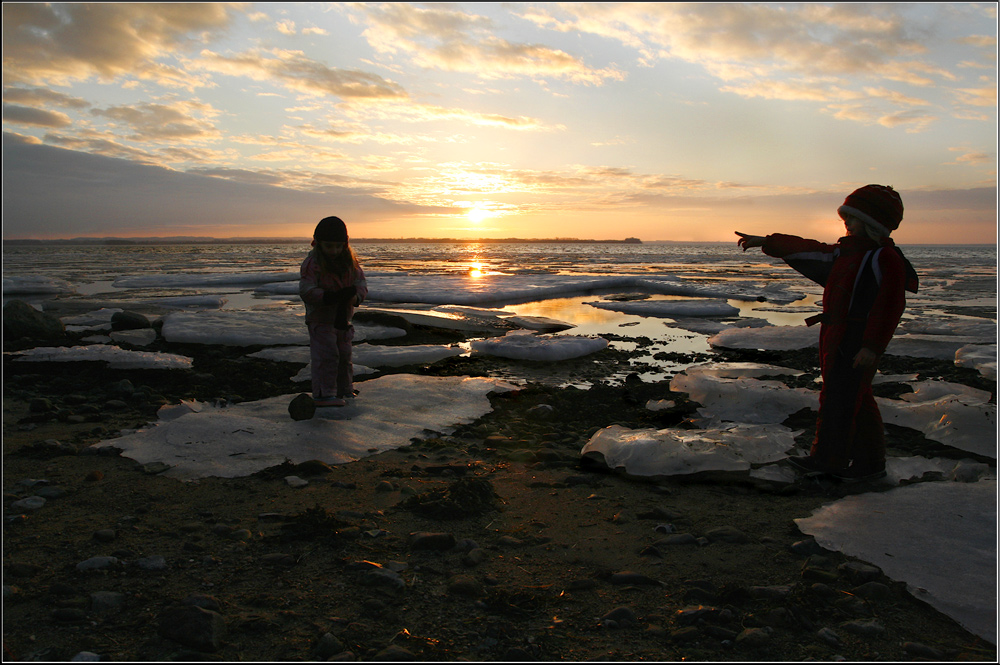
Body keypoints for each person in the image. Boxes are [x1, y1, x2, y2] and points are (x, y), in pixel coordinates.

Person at [735, 184, 918, 483]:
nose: (847, 223)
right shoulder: (845, 253)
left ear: (872, 223)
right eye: (845, 217)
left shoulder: (884, 258)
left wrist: (872, 346)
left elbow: (889, 306)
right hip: (836, 333)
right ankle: (870, 465)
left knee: (839, 399)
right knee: (855, 397)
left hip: (857, 338)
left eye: (853, 218)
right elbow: (810, 250)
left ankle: (829, 460)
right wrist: (768, 242)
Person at [299, 216, 368, 407]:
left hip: (343, 319)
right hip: (320, 319)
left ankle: (344, 389)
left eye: (338, 246)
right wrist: (327, 297)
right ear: (318, 243)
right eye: (329, 246)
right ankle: (324, 393)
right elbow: (306, 290)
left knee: (344, 355)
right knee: (326, 355)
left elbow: (361, 284)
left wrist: (354, 296)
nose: (334, 251)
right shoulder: (312, 264)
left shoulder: (351, 263)